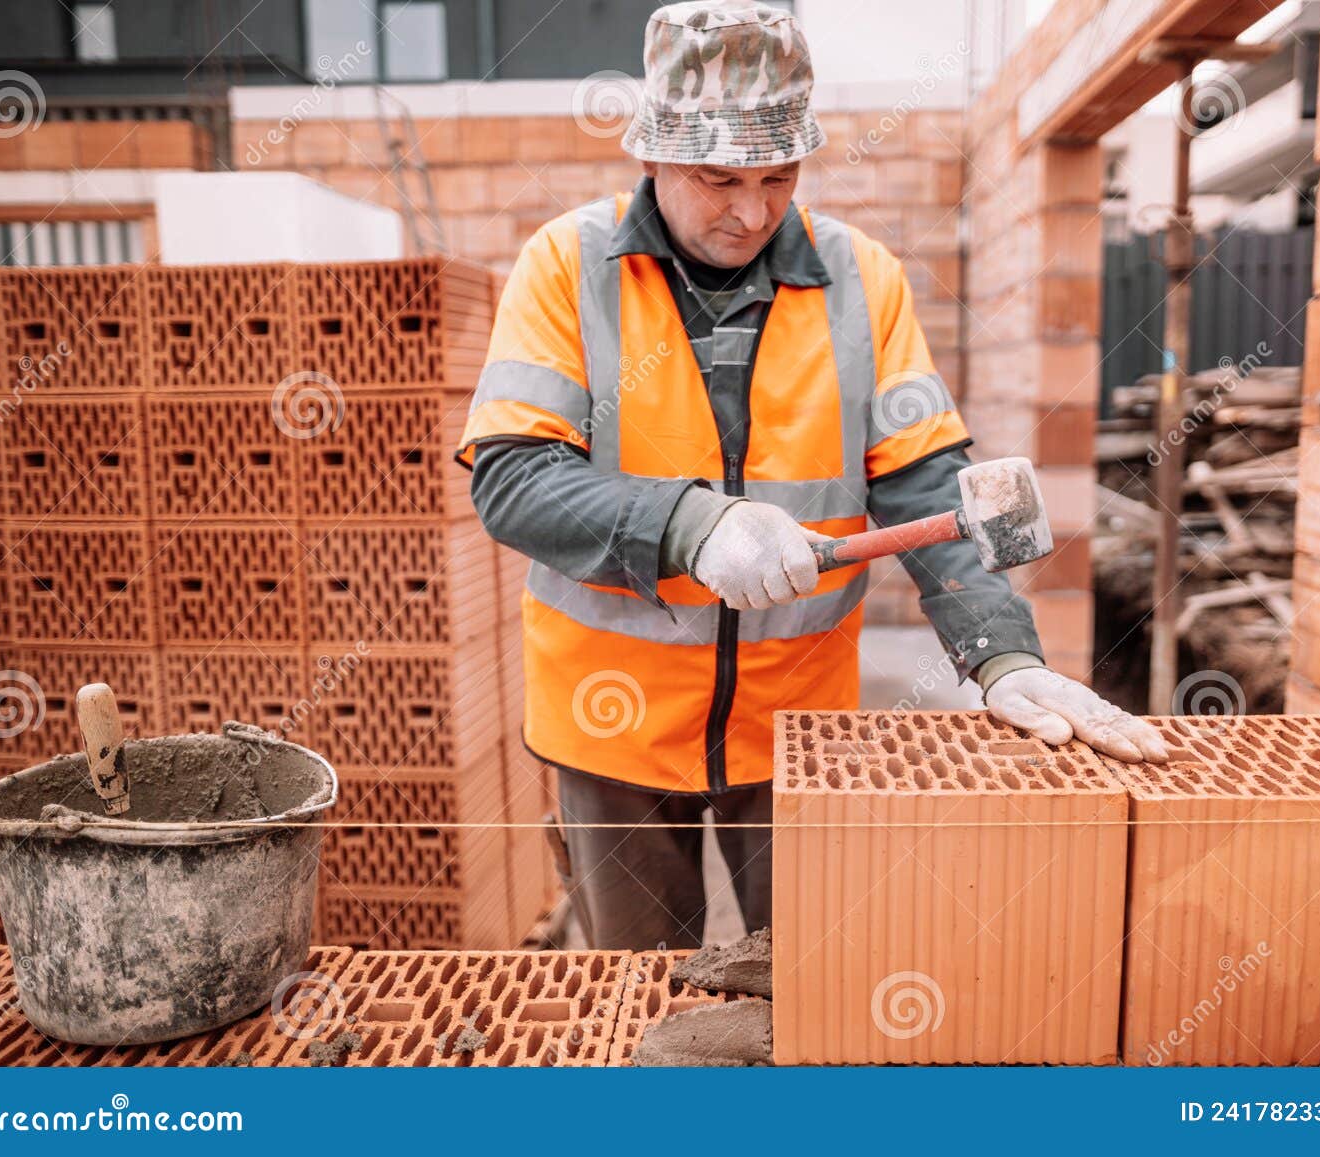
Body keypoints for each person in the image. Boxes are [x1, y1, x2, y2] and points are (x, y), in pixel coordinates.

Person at [458, 1, 1166, 949]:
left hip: (799, 730)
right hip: (608, 727)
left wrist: (999, 652)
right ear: (655, 157)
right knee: (639, 1001)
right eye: (718, 178)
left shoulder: (861, 277)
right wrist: (691, 526)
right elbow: (514, 478)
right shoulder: (566, 268)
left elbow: (924, 483)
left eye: (779, 175)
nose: (752, 209)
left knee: (810, 988)